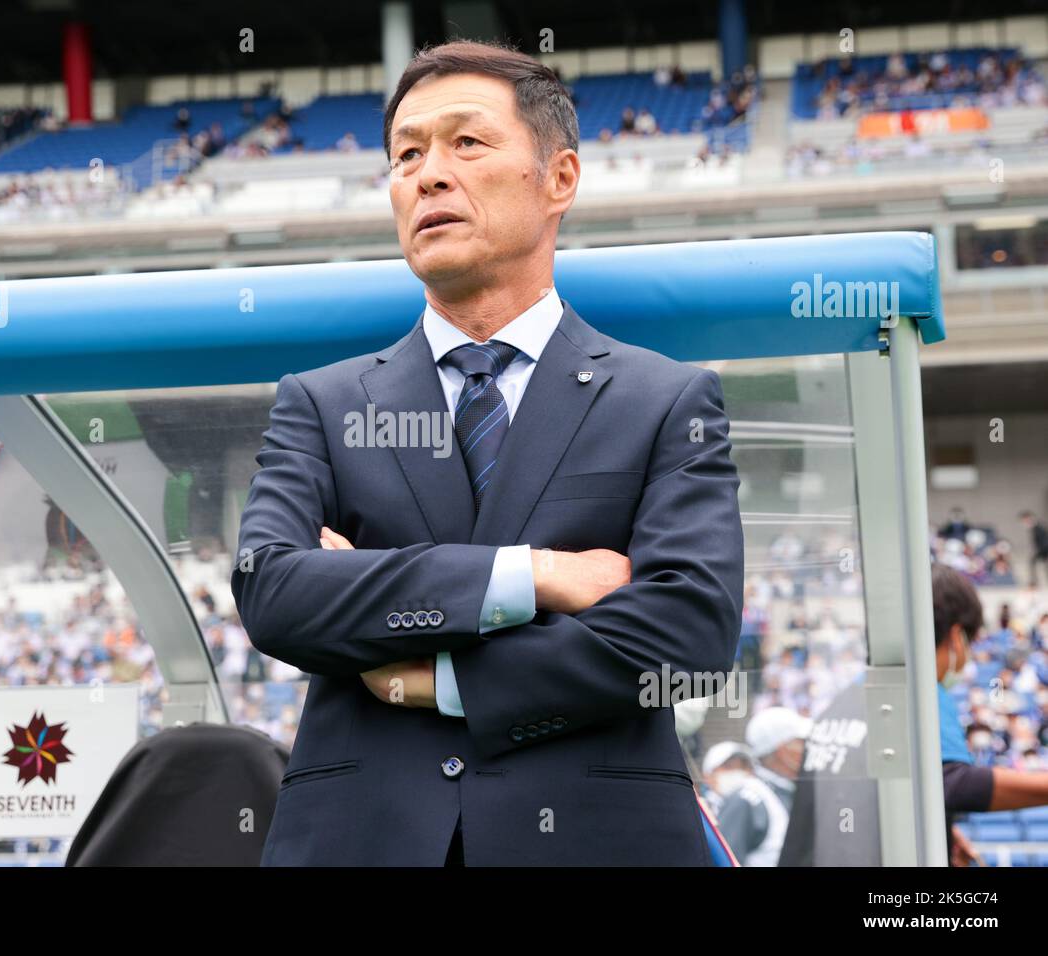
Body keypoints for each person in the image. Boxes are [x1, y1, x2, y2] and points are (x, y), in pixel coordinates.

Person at [230, 39, 744, 867]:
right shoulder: (321, 403)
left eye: (466, 143)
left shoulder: (666, 399)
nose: (429, 174)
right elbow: (277, 592)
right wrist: (533, 575)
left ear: (559, 180)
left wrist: (433, 678)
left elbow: (689, 636)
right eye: (407, 154)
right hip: (362, 841)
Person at [932, 562, 1048, 865]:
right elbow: (950, 784)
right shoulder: (924, 691)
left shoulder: (863, 689)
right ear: (957, 637)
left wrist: (940, 830)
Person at [715, 706, 809, 866]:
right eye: (801, 742)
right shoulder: (747, 799)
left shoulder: (789, 792)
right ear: (782, 749)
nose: (807, 749)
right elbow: (723, 861)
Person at [1019, 511, 1048, 587]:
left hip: (1044, 550)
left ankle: (1034, 583)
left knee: (1036, 563)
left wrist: (1038, 551)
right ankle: (1034, 582)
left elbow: (1044, 540)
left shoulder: (1038, 526)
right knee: (1032, 563)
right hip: (1041, 550)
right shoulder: (1033, 527)